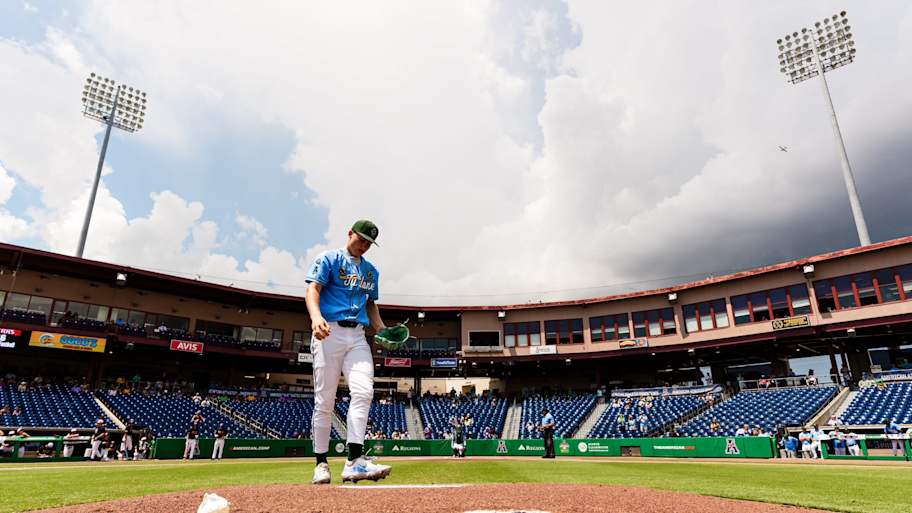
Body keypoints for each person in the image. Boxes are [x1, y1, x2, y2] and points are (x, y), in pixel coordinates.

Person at [306, 220, 390, 485]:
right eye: (361, 239)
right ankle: (321, 463)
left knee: (364, 392)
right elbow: (313, 289)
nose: (364, 245)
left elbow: (371, 304)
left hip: (357, 335)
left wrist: (381, 329)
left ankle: (354, 461)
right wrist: (316, 317)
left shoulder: (371, 271)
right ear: (350, 233)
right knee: (325, 401)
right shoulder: (328, 258)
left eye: (369, 243)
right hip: (328, 331)